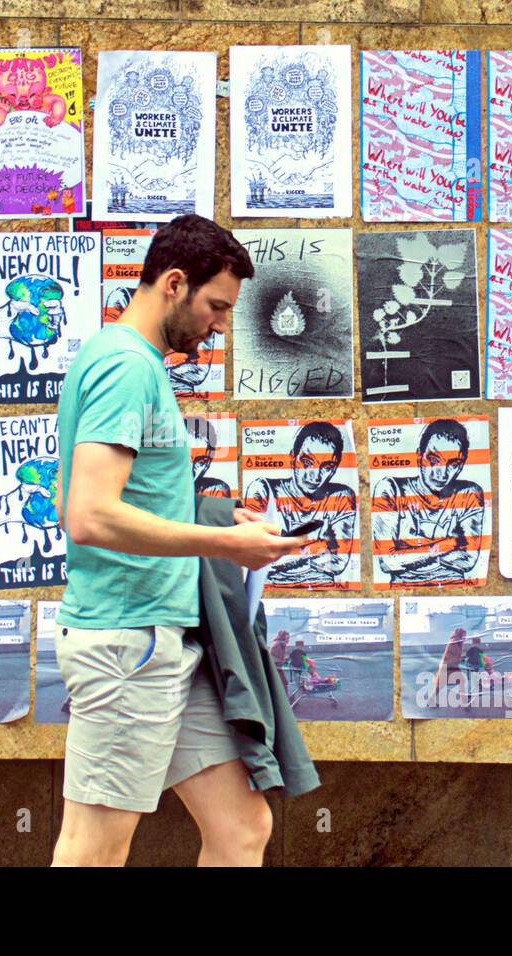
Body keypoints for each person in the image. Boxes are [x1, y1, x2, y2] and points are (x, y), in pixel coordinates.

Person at [50, 214, 308, 867]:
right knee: (95, 851)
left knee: (242, 827)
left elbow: (128, 498)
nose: (221, 324)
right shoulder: (125, 369)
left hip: (169, 641)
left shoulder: (132, 364)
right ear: (173, 283)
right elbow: (88, 514)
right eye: (216, 305)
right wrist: (224, 548)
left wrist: (222, 521)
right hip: (128, 644)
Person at [242, 421, 358, 587]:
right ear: (292, 457)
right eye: (307, 462)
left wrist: (283, 550)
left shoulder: (341, 496)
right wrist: (319, 546)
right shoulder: (263, 489)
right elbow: (257, 554)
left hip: (324, 591)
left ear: (335, 467)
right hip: (270, 591)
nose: (315, 476)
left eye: (327, 466)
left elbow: (338, 562)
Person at [373, 419, 486, 585]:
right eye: (433, 460)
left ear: (462, 464)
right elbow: (387, 562)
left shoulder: (469, 493)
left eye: (453, 463)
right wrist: (449, 543)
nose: (442, 473)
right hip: (403, 589)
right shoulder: (390, 488)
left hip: (454, 589)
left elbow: (468, 560)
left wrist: (409, 552)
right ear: (419, 455)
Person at [184, 415, 231, 498]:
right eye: (184, 458)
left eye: (200, 462)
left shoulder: (215, 490)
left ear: (208, 463)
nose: (191, 468)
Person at [431, 626, 468, 701]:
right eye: (464, 635)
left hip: (449, 666)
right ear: (459, 635)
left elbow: (453, 656)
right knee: (460, 682)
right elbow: (451, 656)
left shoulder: (456, 643)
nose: (465, 637)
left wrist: (461, 659)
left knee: (440, 685)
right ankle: (465, 703)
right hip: (449, 667)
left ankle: (430, 701)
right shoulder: (454, 643)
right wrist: (460, 660)